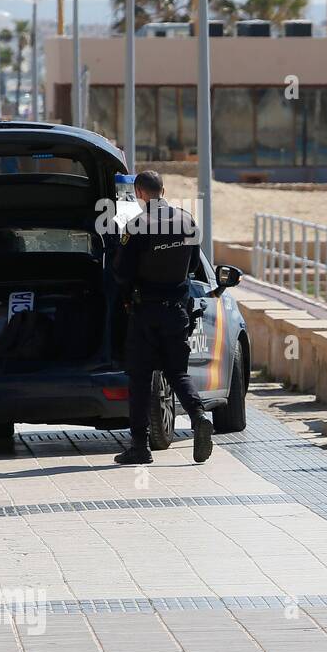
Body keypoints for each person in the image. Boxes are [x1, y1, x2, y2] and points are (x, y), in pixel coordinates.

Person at [111, 170, 214, 466]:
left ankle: (140, 447)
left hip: (145, 313)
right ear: (163, 190)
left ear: (139, 193)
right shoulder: (186, 220)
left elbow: (121, 273)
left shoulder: (137, 225)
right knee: (177, 372)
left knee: (141, 378)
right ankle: (198, 416)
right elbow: (194, 264)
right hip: (177, 312)